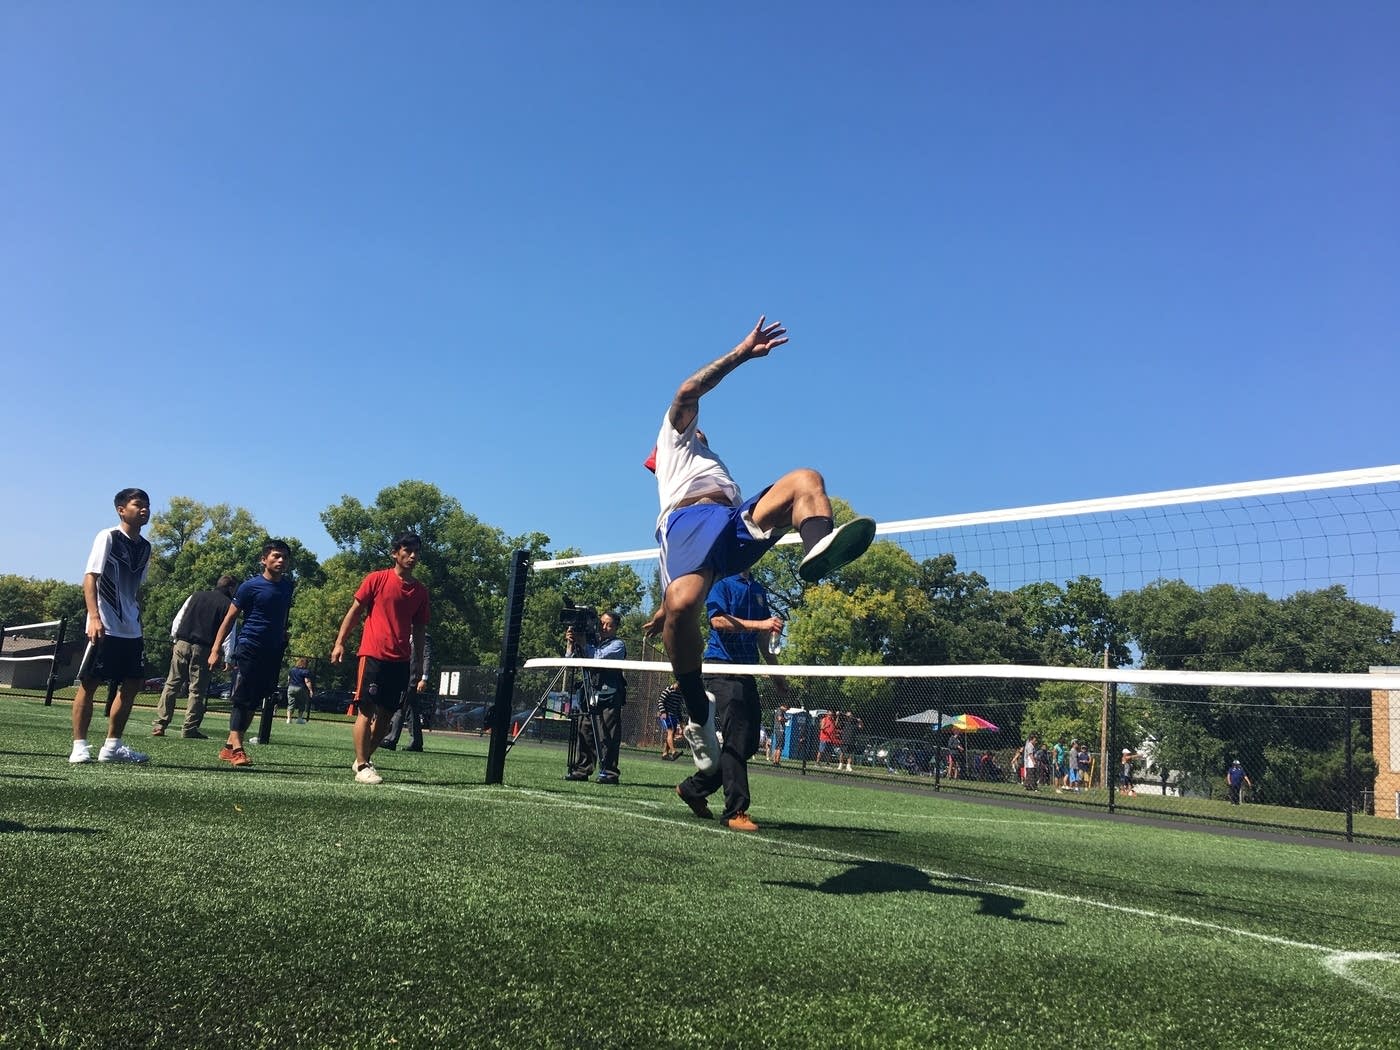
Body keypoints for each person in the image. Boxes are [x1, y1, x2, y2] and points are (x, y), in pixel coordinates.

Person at [642, 317, 876, 776]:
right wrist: (742, 353)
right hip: (690, 522)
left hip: (730, 526)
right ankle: (697, 711)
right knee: (684, 602)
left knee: (806, 479)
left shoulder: (714, 463)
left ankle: (818, 547)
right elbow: (687, 391)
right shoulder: (673, 442)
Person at [675, 570, 786, 831]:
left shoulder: (758, 590)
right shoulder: (721, 582)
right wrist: (762, 624)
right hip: (722, 668)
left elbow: (762, 638)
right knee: (736, 736)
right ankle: (735, 810)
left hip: (748, 671)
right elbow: (718, 621)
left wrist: (777, 674)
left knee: (747, 743)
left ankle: (694, 789)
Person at [331, 533, 431, 785]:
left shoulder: (420, 592)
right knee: (366, 710)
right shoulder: (376, 579)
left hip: (401, 660)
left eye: (416, 551)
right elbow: (354, 612)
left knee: (386, 719)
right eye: (407, 550)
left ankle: (362, 759)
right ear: (395, 553)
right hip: (373, 654)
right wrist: (340, 642)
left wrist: (418, 665)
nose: (412, 556)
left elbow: (419, 630)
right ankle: (363, 765)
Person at [68, 488, 153, 764]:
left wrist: (138, 620)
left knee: (130, 687)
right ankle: (79, 746)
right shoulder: (108, 536)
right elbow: (90, 577)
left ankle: (112, 747)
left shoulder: (146, 547)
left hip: (132, 629)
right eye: (138, 504)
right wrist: (94, 617)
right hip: (105, 625)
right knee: (90, 684)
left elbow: (137, 589)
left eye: (147, 505)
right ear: (121, 509)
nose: (144, 509)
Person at [209, 540, 295, 769]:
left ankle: (229, 747)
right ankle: (238, 748)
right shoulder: (249, 586)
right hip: (249, 647)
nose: (281, 560)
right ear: (263, 560)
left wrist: (282, 634)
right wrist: (216, 648)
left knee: (254, 701)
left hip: (273, 651)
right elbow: (229, 619)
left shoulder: (288, 587)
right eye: (276, 556)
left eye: (284, 557)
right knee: (241, 699)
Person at [153, 575, 237, 739]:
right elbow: (228, 632)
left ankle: (160, 724)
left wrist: (175, 639)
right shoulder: (229, 605)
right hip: (205, 648)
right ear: (232, 588)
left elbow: (179, 617)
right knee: (197, 690)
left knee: (171, 684)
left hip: (182, 642)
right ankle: (189, 728)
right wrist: (228, 657)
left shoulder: (196, 595)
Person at [564, 611, 628, 784]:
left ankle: (609, 772)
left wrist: (583, 643)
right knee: (585, 731)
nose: (604, 627)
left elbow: (597, 657)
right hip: (588, 691)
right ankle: (582, 769)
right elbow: (569, 661)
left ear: (616, 627)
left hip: (609, 694)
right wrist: (571, 643)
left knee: (608, 734)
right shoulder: (591, 643)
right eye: (602, 623)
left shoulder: (618, 645)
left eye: (609, 624)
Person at [381, 634, 432, 752]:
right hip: (403, 675)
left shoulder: (424, 637)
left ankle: (391, 739)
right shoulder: (402, 635)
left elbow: (427, 658)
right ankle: (416, 742)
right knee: (411, 709)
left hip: (413, 678)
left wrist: (424, 679)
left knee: (401, 705)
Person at [656, 681, 686, 761]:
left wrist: (681, 720)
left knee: (672, 734)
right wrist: (663, 712)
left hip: (674, 715)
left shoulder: (679, 694)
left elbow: (678, 708)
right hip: (665, 714)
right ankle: (673, 752)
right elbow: (660, 701)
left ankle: (665, 753)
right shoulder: (668, 690)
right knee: (670, 731)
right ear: (676, 684)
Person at [286, 657, 315, 724]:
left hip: (291, 687)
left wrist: (290, 685)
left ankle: (289, 719)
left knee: (290, 703)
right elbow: (307, 681)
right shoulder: (305, 671)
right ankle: (299, 718)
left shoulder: (292, 670)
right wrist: (310, 690)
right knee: (302, 703)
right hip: (300, 688)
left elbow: (288, 679)